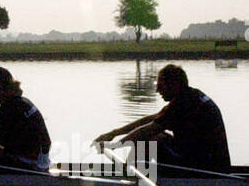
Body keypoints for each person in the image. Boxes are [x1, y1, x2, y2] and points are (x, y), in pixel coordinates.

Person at [93, 64, 231, 173]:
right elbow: (149, 121)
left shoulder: (183, 104)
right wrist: (113, 133)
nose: (157, 91)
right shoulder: (191, 95)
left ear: (174, 85)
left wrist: (115, 145)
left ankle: (130, 180)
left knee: (146, 140)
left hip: (207, 169)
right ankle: (134, 173)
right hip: (211, 162)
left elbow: (147, 130)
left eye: (160, 86)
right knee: (156, 136)